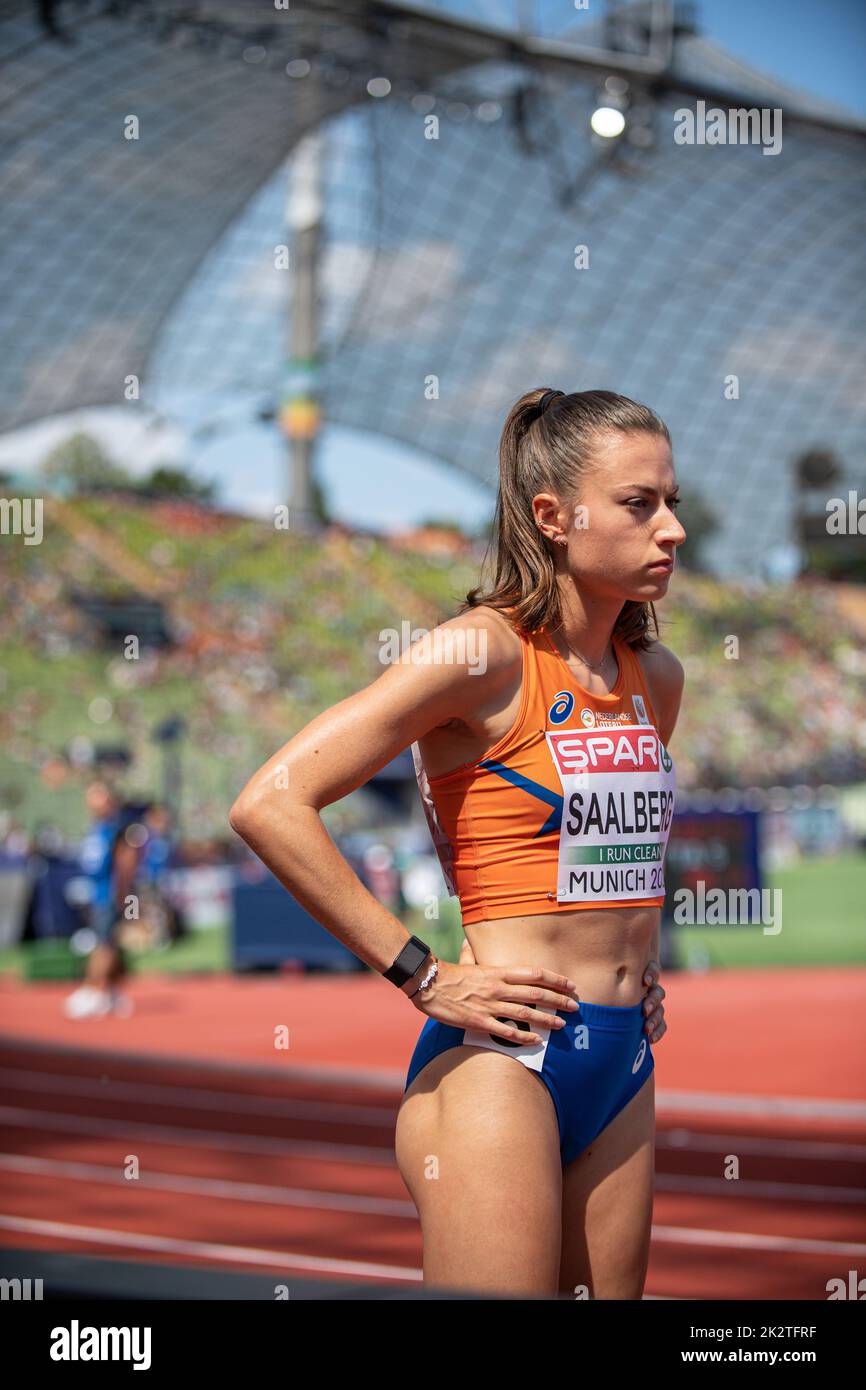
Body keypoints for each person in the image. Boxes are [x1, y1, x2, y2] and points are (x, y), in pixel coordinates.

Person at [229, 387, 685, 1297]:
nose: (671, 528)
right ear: (553, 517)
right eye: (640, 505)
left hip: (625, 1058)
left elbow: (608, 855)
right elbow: (271, 803)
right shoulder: (483, 653)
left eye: (673, 501)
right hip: (501, 1064)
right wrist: (424, 975)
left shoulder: (657, 678)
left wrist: (640, 967)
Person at [64, 783, 139, 1019]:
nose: (91, 801)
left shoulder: (120, 827)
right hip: (97, 895)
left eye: (96, 796)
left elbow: (127, 867)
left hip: (112, 896)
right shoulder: (97, 827)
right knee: (110, 944)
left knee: (103, 944)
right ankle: (112, 992)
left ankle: (94, 991)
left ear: (109, 800)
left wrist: (127, 903)